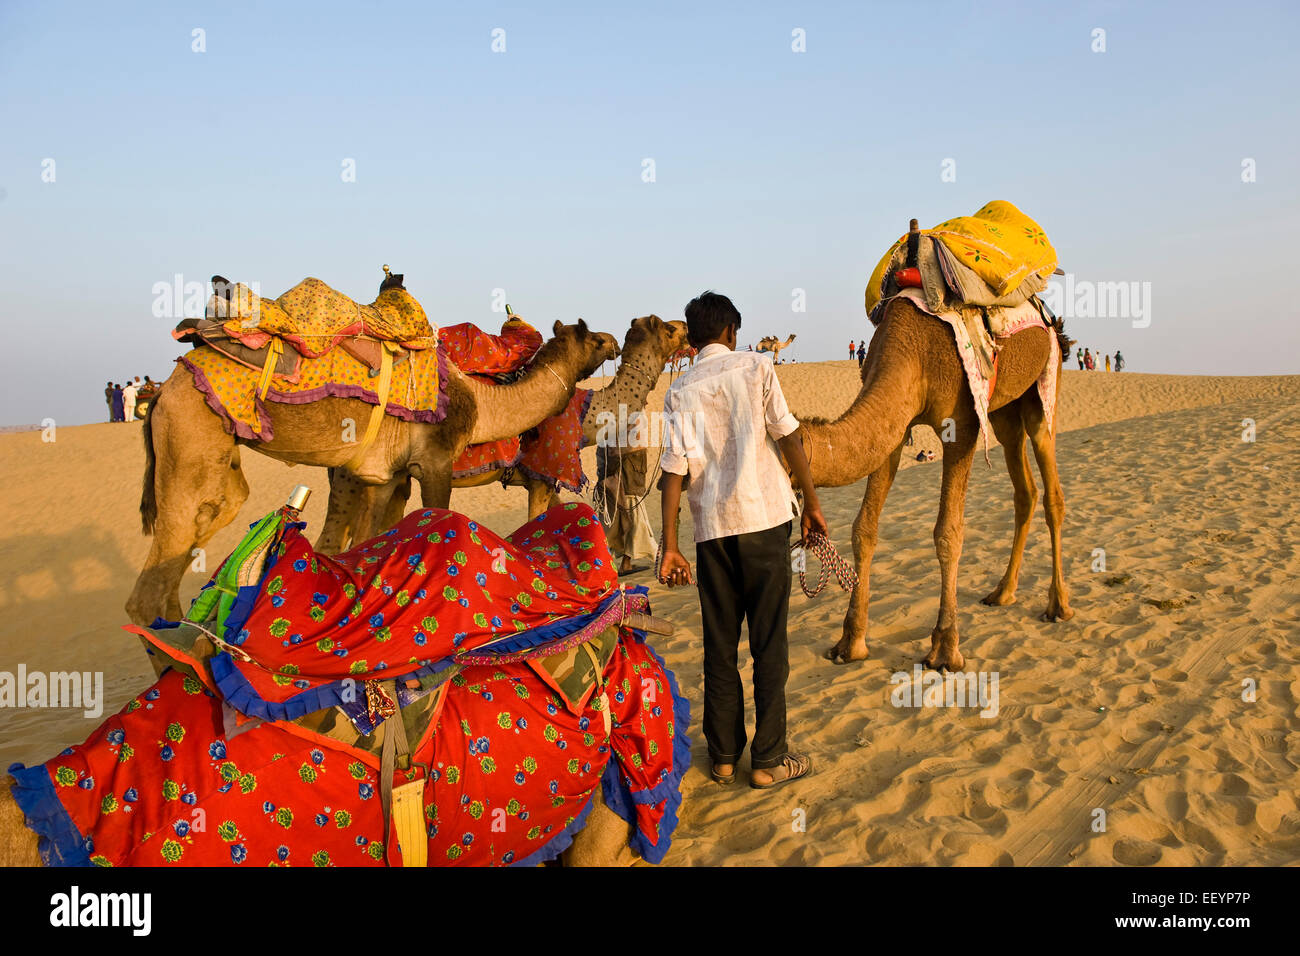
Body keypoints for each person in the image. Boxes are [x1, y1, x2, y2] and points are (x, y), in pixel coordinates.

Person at [658, 291, 825, 791]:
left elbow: (673, 471)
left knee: (720, 645)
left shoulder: (680, 390)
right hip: (765, 518)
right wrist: (813, 503)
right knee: (769, 643)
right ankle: (770, 759)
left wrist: (670, 543)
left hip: (712, 532)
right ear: (731, 331)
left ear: (693, 336)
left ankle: (726, 756)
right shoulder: (757, 368)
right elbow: (789, 437)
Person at [594, 433, 656, 576]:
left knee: (622, 519)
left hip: (621, 468)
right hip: (626, 470)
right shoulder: (627, 414)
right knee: (629, 517)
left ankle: (623, 564)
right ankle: (608, 566)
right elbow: (624, 444)